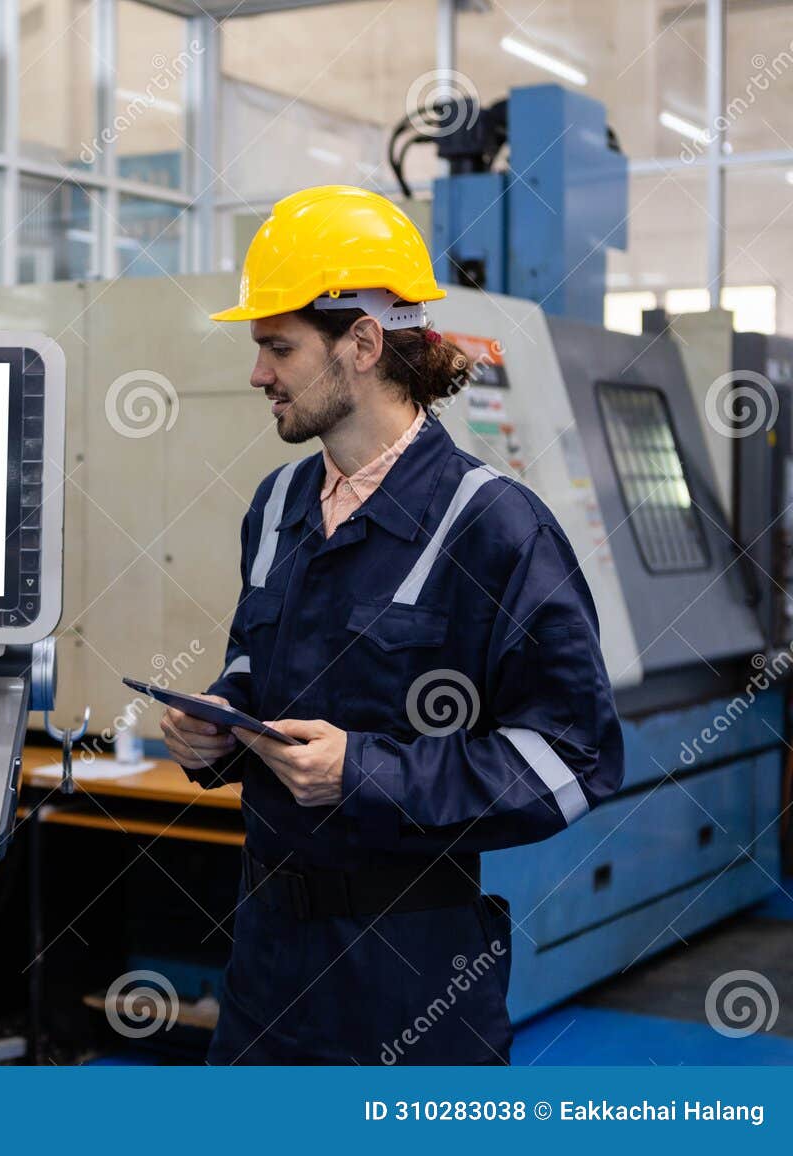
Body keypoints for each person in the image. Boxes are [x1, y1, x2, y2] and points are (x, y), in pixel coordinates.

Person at [161, 185, 624, 1065]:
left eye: (278, 347)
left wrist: (363, 772)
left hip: (412, 974)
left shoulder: (495, 528)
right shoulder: (280, 505)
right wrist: (215, 726)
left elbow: (575, 759)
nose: (258, 373)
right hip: (264, 968)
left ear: (362, 342)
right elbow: (256, 668)